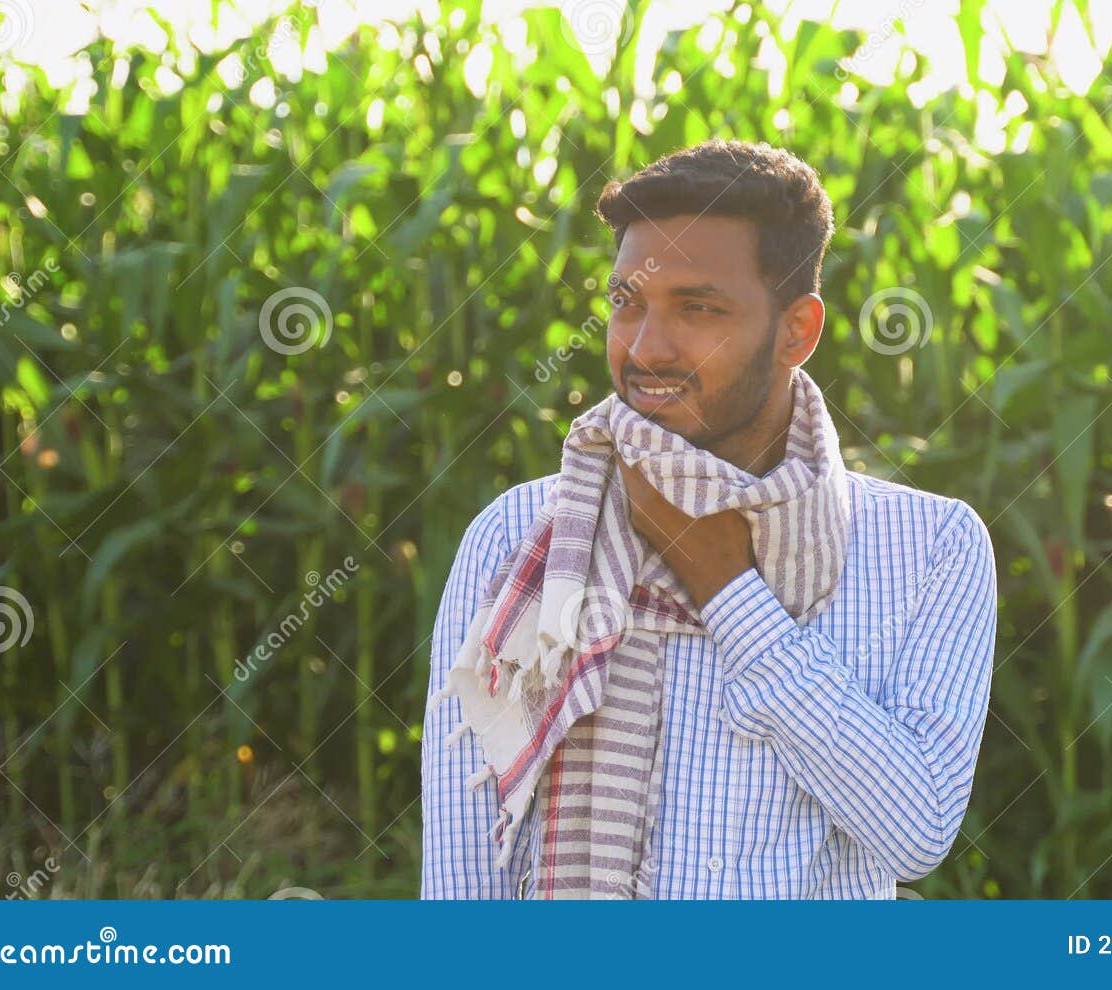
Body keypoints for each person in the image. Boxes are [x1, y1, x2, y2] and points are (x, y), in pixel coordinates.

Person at [422, 140, 996, 899]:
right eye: (627, 302)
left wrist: (728, 587)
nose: (645, 347)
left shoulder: (930, 547)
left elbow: (917, 829)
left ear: (798, 330)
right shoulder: (524, 536)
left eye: (698, 309)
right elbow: (466, 878)